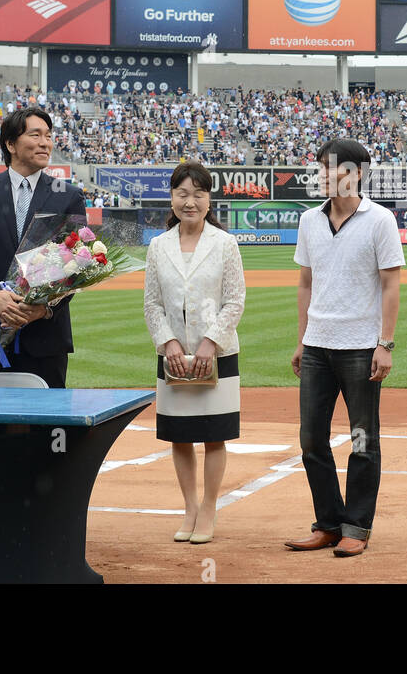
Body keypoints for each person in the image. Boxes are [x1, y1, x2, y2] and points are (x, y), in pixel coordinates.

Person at [287, 138, 404, 558]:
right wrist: (302, 339)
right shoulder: (308, 221)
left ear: (355, 174)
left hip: (360, 347)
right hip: (317, 346)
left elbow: (391, 285)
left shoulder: (380, 220)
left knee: (362, 440)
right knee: (311, 441)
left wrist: (384, 344)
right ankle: (329, 522)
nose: (321, 175)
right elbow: (305, 282)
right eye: (319, 168)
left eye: (329, 168)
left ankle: (357, 525)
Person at [143, 161, 246, 545]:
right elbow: (152, 304)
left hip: (216, 352)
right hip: (172, 354)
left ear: (208, 200)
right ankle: (189, 507)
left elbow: (235, 300)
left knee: (213, 436)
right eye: (183, 194)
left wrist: (210, 342)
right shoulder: (158, 246)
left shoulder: (225, 244)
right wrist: (167, 341)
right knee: (180, 436)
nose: (190, 202)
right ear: (172, 198)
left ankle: (209, 508)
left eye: (198, 195)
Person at [0, 106, 85, 388]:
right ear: (10, 144)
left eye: (48, 135)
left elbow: (77, 263)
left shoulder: (69, 196)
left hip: (45, 337)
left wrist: (45, 308)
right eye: (35, 134)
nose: (44, 142)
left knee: (42, 426)